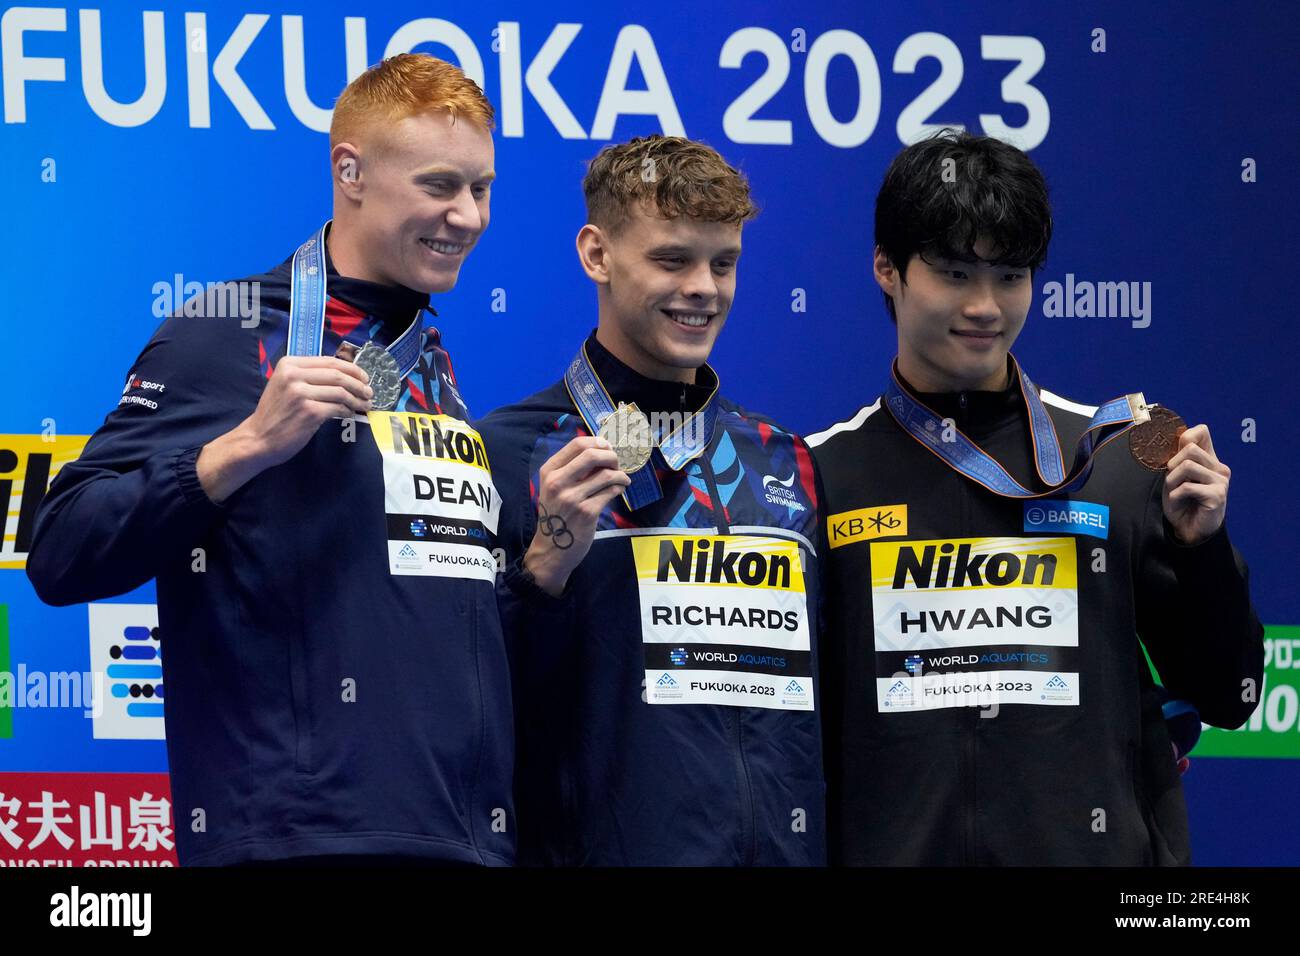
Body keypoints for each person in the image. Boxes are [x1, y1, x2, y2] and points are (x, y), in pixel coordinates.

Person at [26, 54, 513, 866]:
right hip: (297, 841)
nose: (467, 216)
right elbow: (61, 548)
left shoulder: (428, 358)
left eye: (482, 188)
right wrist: (241, 449)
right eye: (439, 185)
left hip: (459, 838)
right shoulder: (230, 331)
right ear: (349, 171)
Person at [807, 129, 1264, 866]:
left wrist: (1200, 550)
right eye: (955, 273)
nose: (986, 306)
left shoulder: (1115, 459)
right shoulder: (822, 477)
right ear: (886, 270)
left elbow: (1230, 696)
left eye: (1011, 275)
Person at [477, 135, 826, 865]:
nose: (704, 287)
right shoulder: (508, 452)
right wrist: (541, 572)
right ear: (597, 255)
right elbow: (463, 703)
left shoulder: (782, 456)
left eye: (723, 263)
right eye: (672, 260)